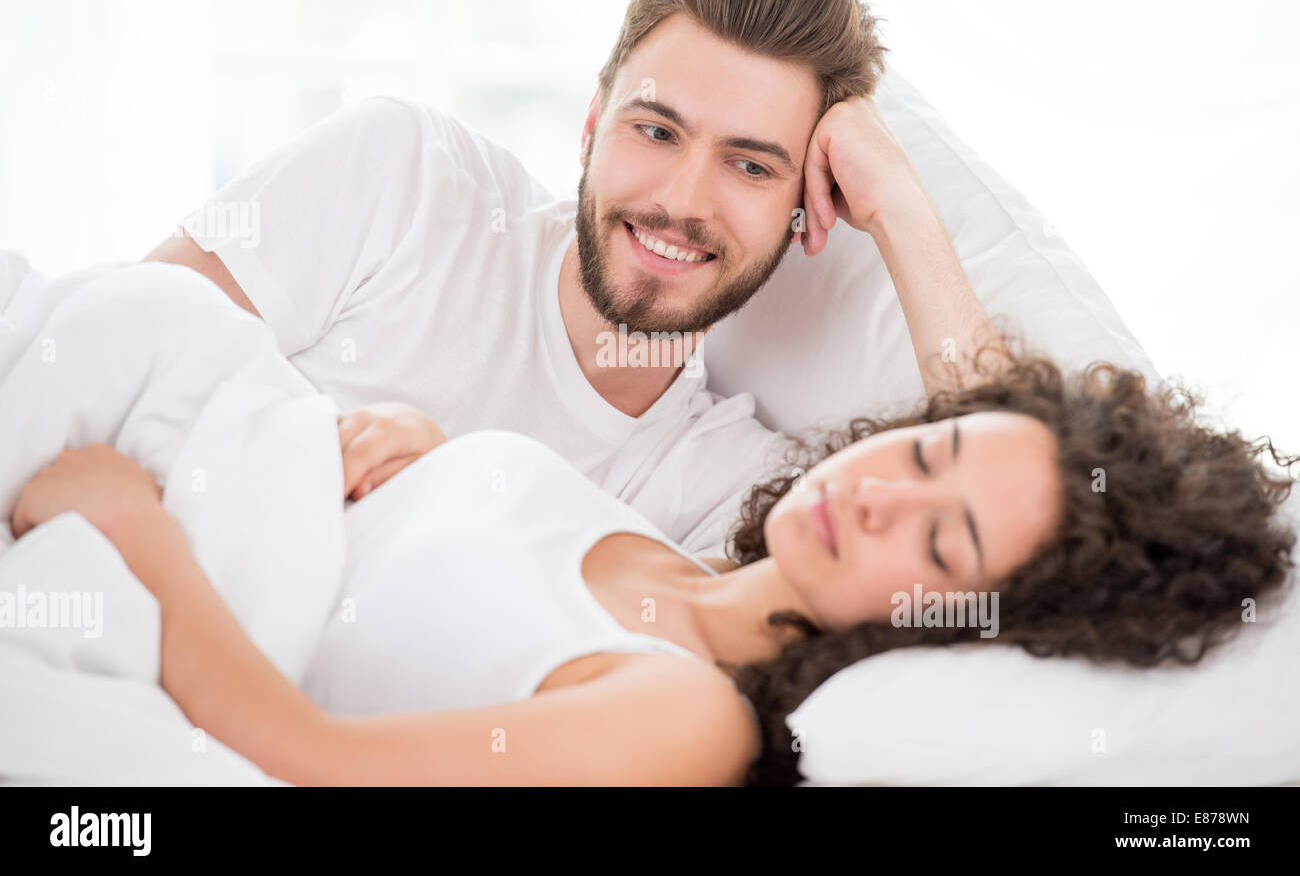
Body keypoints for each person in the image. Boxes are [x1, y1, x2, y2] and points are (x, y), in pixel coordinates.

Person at [13, 348, 1294, 786]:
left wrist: (135, 534)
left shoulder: (687, 718)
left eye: (942, 537)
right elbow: (455, 590)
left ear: (951, 623)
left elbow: (312, 755)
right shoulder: (670, 549)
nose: (882, 489)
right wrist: (418, 448)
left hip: (135, 589)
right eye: (933, 446)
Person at [141, 0, 993, 559]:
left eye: (749, 164)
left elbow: (1008, 505)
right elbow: (121, 348)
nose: (680, 200)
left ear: (808, 210)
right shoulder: (405, 175)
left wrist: (907, 212)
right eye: (657, 130)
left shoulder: (721, 487)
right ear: (592, 123)